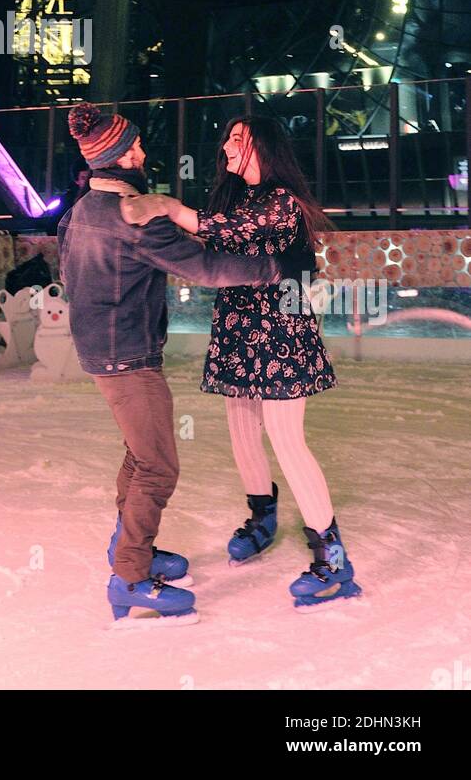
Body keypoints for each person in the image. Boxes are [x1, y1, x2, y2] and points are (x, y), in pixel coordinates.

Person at [57, 102, 311, 623]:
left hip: (99, 350)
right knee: (156, 466)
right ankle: (129, 576)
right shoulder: (132, 217)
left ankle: (133, 552)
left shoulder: (80, 211)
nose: (145, 152)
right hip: (128, 357)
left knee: (138, 453)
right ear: (123, 156)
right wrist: (275, 268)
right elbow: (206, 267)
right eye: (138, 146)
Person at [121, 115, 362, 609]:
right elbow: (202, 247)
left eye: (238, 138)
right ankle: (262, 515)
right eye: (227, 137)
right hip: (238, 330)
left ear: (263, 147)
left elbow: (221, 230)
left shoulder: (281, 203)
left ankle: (334, 561)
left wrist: (165, 204)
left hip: (280, 334)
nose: (226, 145)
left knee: (287, 441)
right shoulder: (238, 198)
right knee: (241, 430)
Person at [45, 161, 89, 235]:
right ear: (76, 180)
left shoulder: (99, 199)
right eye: (83, 178)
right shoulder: (67, 201)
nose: (87, 182)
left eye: (89, 178)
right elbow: (54, 226)